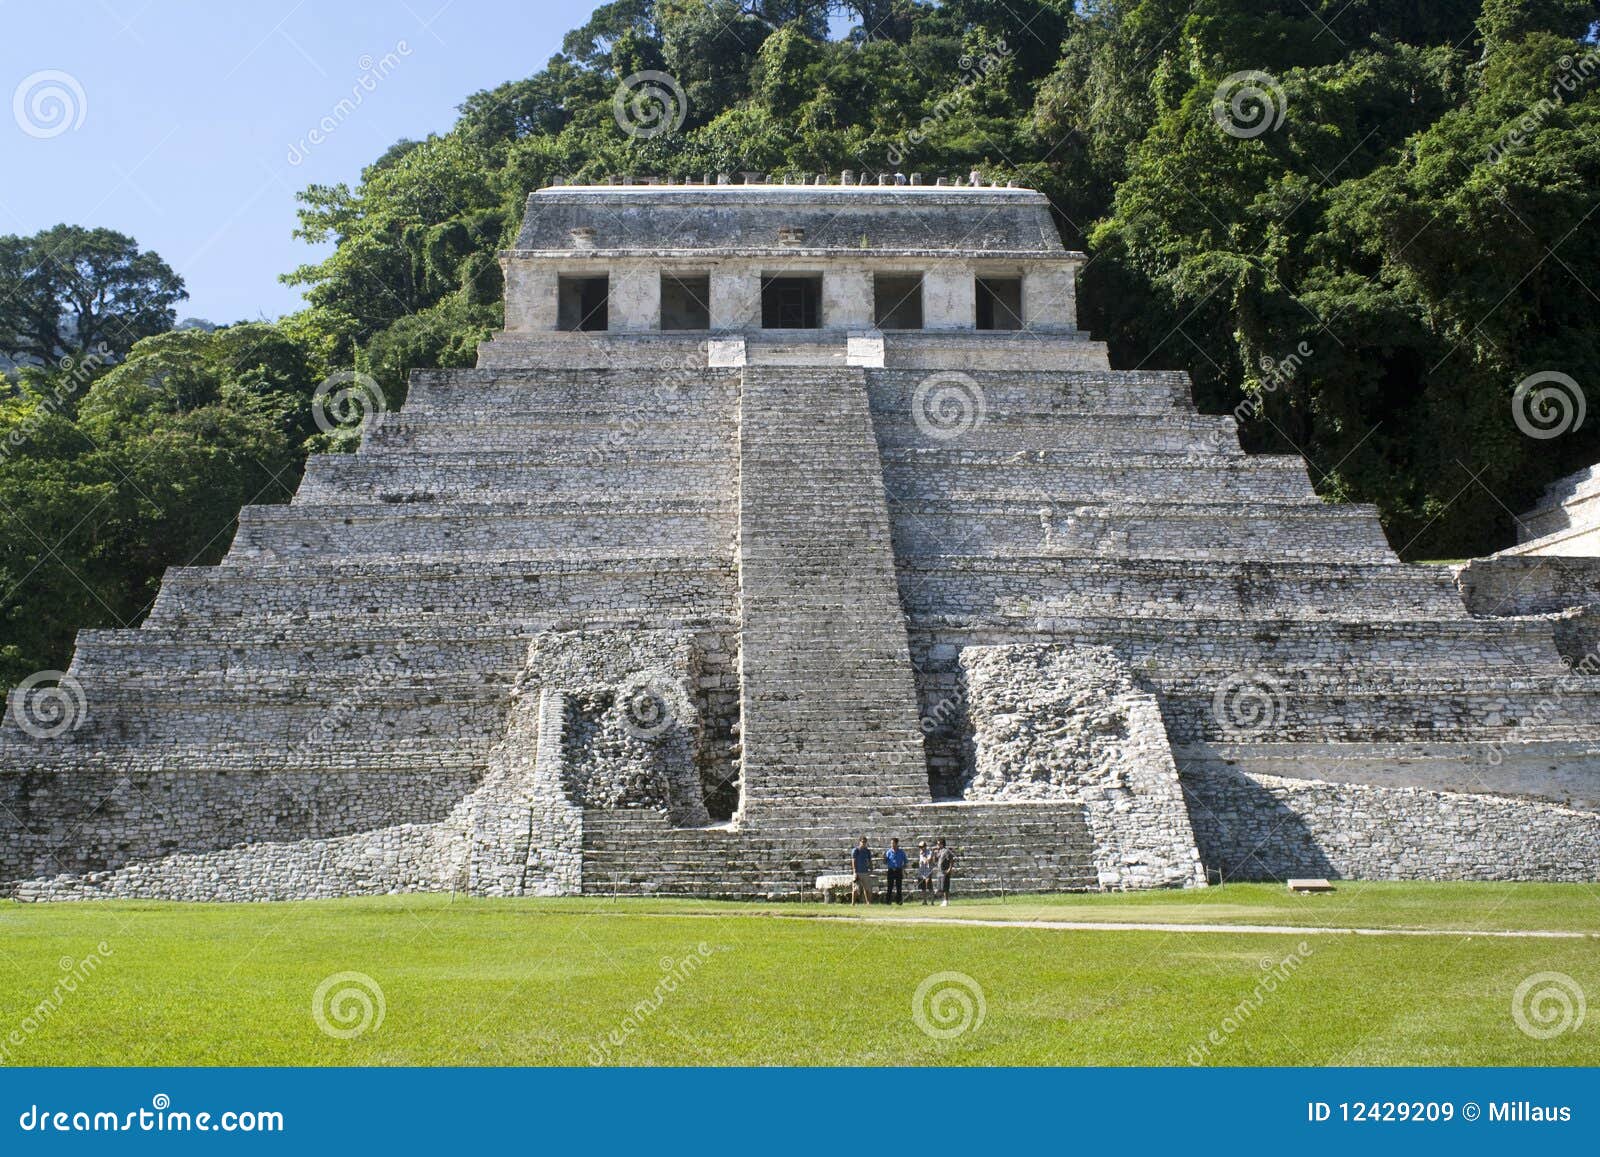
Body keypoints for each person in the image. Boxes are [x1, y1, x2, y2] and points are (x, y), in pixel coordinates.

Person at [883, 838, 907, 905]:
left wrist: (903, 868)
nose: (892, 845)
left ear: (896, 843)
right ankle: (888, 901)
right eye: (891, 843)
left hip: (898, 870)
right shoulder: (888, 852)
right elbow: (885, 862)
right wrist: (884, 858)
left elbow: (905, 861)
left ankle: (899, 901)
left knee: (899, 887)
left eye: (893, 843)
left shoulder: (901, 852)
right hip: (891, 870)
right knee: (889, 886)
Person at [850, 836, 873, 905]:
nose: (864, 843)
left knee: (867, 888)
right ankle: (853, 903)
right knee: (855, 889)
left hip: (865, 871)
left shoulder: (867, 851)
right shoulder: (855, 850)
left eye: (865, 842)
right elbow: (853, 861)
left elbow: (869, 860)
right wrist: (855, 872)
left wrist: (871, 868)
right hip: (858, 872)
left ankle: (868, 902)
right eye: (862, 842)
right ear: (859, 842)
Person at [935, 838, 955, 907]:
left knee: (945, 887)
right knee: (940, 887)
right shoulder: (939, 851)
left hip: (944, 871)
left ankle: (946, 900)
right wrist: (934, 853)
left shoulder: (946, 851)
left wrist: (949, 869)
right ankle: (943, 900)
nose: (937, 845)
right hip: (939, 872)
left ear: (942, 844)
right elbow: (935, 860)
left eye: (938, 844)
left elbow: (951, 860)